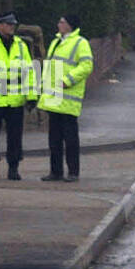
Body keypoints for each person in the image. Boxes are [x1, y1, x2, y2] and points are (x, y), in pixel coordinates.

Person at [0, 11, 38, 181]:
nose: (12, 27)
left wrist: (31, 96)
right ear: (0, 25)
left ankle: (13, 168)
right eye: (9, 24)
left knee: (15, 137)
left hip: (15, 101)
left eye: (13, 24)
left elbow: (29, 72)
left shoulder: (21, 46)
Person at [38, 14, 94, 183]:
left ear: (70, 25)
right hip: (54, 98)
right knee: (54, 139)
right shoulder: (56, 42)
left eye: (62, 22)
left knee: (70, 139)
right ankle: (55, 172)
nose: (59, 24)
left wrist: (67, 80)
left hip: (69, 99)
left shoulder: (80, 43)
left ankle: (73, 172)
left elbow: (86, 66)